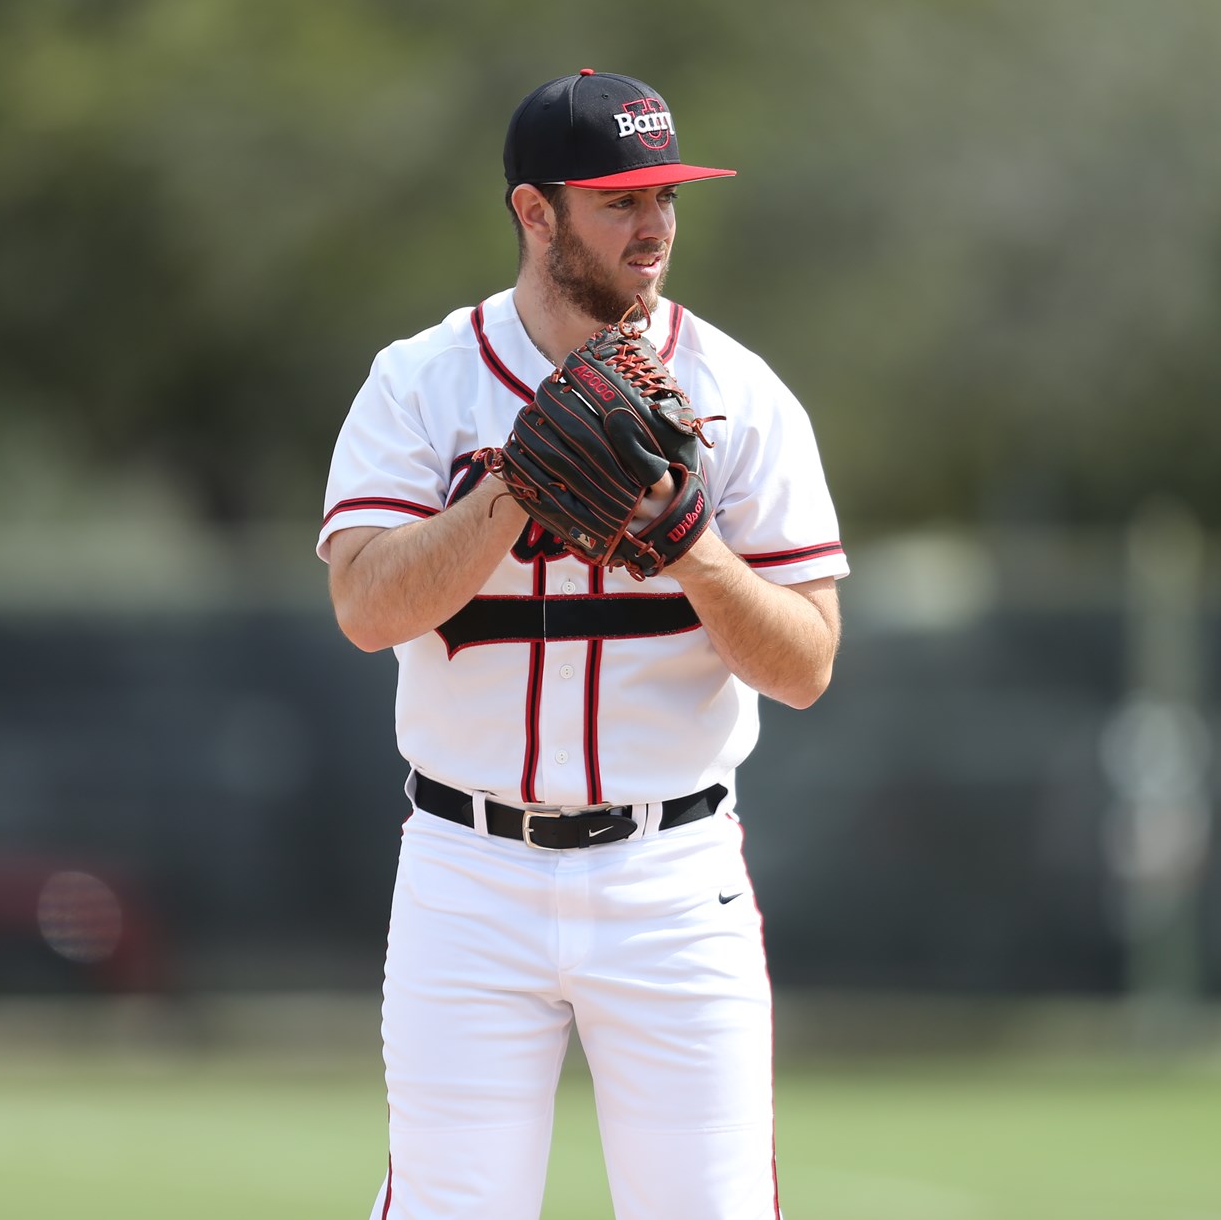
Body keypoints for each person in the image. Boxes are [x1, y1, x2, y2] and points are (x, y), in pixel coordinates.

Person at [319, 68, 848, 1220]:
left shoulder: (738, 394)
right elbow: (364, 608)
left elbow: (806, 663)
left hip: (672, 875)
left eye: (664, 193)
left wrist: (693, 544)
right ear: (533, 211)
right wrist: (516, 478)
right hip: (469, 867)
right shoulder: (421, 382)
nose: (652, 224)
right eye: (617, 198)